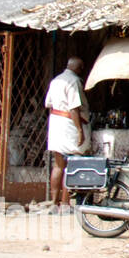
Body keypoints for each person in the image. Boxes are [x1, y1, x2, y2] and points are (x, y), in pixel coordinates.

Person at [45, 57, 89, 208]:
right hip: (69, 124)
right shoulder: (74, 81)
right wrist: (79, 130)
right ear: (79, 68)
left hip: (56, 122)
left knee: (58, 164)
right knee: (71, 165)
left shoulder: (56, 80)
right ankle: (65, 202)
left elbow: (49, 105)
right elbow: (74, 108)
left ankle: (53, 201)